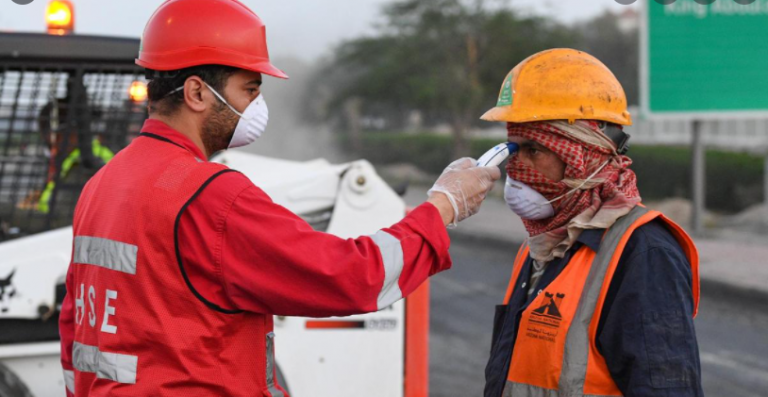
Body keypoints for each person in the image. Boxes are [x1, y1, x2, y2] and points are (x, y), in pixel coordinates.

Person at [56, 1, 501, 396]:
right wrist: (444, 206)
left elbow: (75, 329)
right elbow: (351, 276)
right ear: (196, 93)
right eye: (249, 89)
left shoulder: (104, 184)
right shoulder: (210, 196)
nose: (256, 105)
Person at [481, 49, 703, 397]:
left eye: (533, 150)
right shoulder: (539, 247)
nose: (515, 167)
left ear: (584, 155)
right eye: (513, 149)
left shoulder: (644, 253)